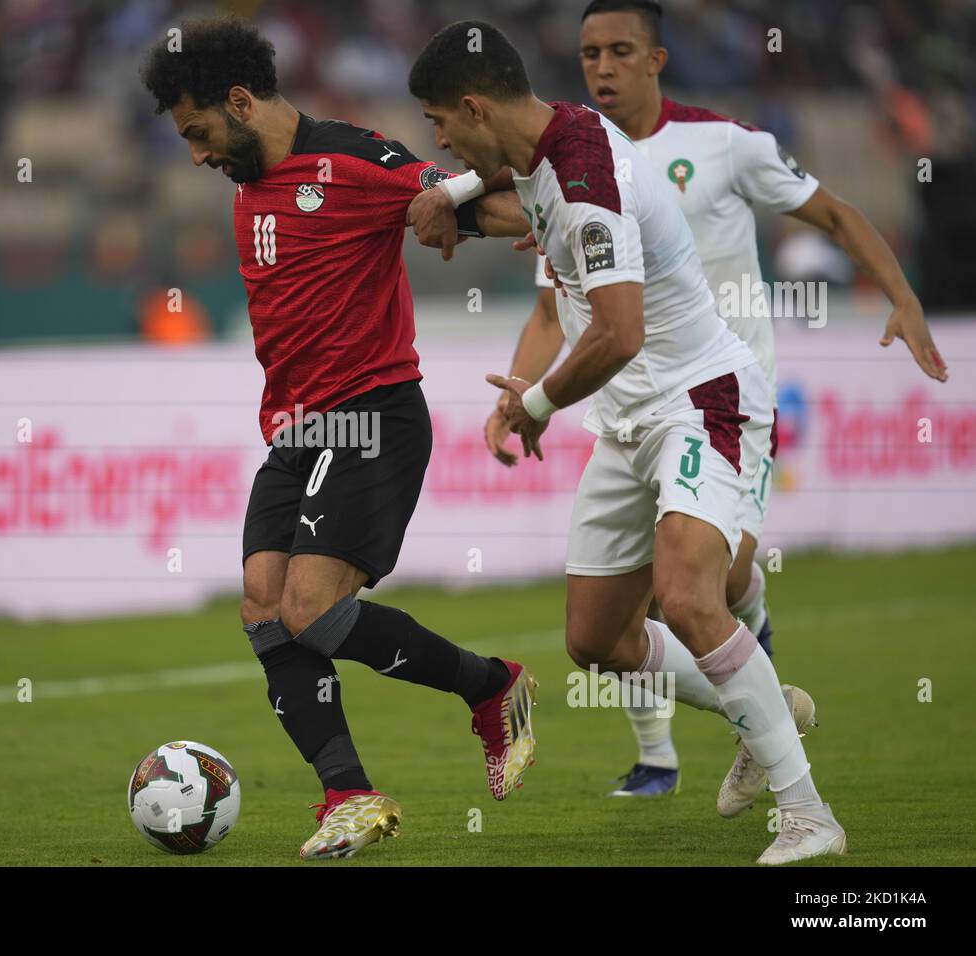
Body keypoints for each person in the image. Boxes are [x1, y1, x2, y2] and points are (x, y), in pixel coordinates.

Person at [406, 18, 845, 863]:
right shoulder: (550, 139)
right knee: (595, 638)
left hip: (699, 397)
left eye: (439, 123)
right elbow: (511, 189)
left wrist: (532, 402)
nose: (439, 139)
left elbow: (618, 334)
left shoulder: (586, 175)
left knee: (687, 596)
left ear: (471, 107)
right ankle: (763, 710)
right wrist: (454, 200)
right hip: (629, 419)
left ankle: (807, 814)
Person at [140, 16, 537, 861]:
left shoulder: (354, 159)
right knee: (264, 608)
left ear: (242, 102)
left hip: (373, 416)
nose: (198, 155)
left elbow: (492, 199)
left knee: (311, 610)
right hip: (295, 432)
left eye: (201, 132)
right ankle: (351, 793)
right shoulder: (250, 183)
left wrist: (476, 205)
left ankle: (492, 687)